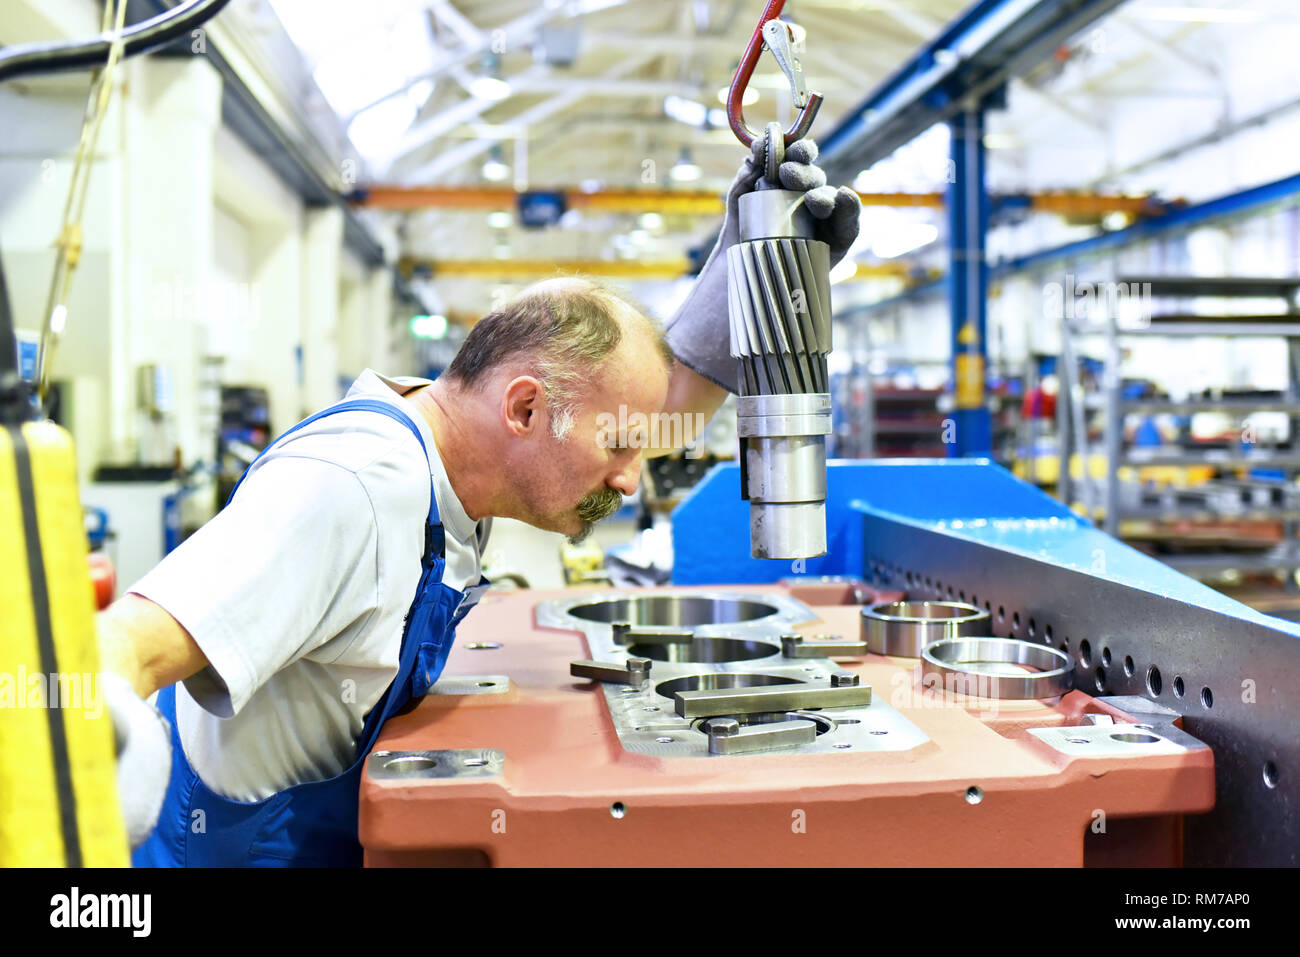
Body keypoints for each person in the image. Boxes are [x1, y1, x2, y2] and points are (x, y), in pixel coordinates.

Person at [100, 138, 861, 866]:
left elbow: (665, 415)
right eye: (619, 447)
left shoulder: (463, 459)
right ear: (526, 409)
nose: (633, 480)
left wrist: (755, 274)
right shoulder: (351, 489)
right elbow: (120, 648)